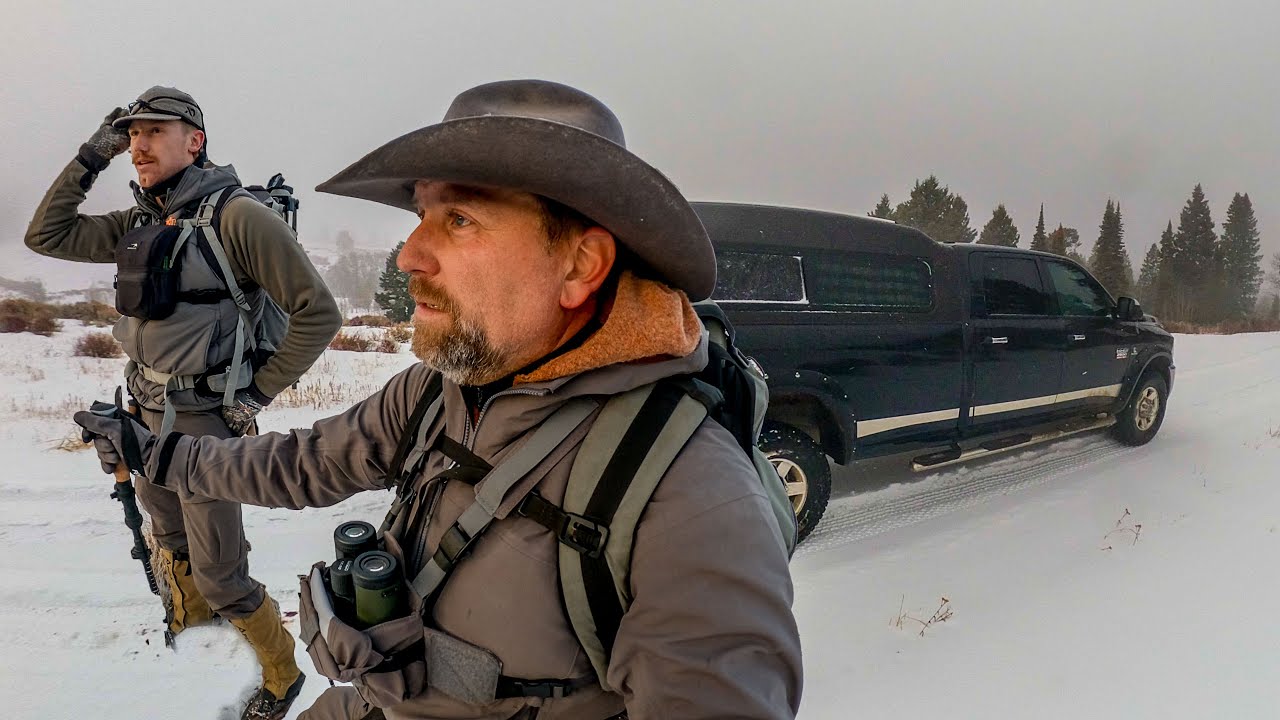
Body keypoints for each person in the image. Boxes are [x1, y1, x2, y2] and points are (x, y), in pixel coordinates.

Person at [76, 79, 802, 720]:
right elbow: (303, 463)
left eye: (459, 220)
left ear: (581, 264)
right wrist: (159, 452)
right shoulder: (448, 388)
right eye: (421, 215)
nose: (409, 255)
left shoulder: (693, 502)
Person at [30, 86, 342, 720]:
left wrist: (255, 392)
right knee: (168, 536)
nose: (138, 145)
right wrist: (93, 155)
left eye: (154, 132)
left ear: (194, 141)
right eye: (131, 135)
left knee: (222, 569)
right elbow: (46, 234)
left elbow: (320, 313)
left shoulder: (239, 217)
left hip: (205, 424)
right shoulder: (139, 222)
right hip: (142, 413)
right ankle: (197, 642)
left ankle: (282, 677)